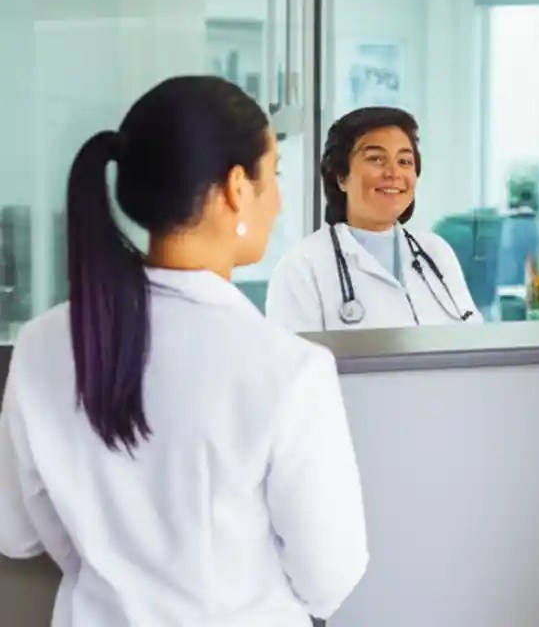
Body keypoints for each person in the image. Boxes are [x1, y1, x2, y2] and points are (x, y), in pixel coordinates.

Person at [0, 76, 368, 625]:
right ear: (237, 187)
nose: (280, 200)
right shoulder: (288, 370)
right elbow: (327, 582)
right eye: (276, 175)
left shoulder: (42, 345)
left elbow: (16, 532)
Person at [266, 107, 482, 331]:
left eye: (405, 161)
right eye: (376, 159)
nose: (393, 173)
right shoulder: (302, 267)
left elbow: (474, 338)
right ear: (341, 177)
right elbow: (291, 362)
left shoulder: (436, 252)